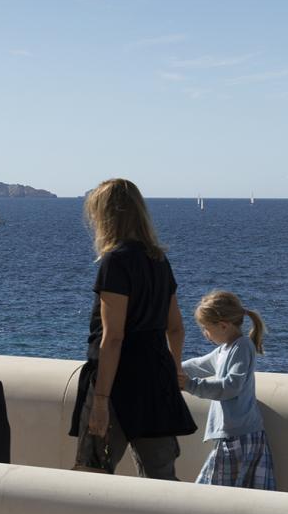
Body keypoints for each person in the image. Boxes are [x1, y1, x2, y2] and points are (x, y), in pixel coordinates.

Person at [70, 178, 196, 478]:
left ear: (105, 217)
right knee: (161, 478)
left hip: (116, 381)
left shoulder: (116, 261)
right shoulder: (159, 260)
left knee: (91, 473)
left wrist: (100, 401)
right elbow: (176, 328)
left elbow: (113, 337)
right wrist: (175, 369)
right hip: (155, 380)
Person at [180, 290, 275, 489]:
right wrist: (171, 368)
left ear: (223, 325)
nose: (205, 334)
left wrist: (189, 385)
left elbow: (230, 387)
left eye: (206, 328)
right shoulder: (226, 348)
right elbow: (198, 365)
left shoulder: (242, 347)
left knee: (215, 494)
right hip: (234, 435)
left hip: (240, 438)